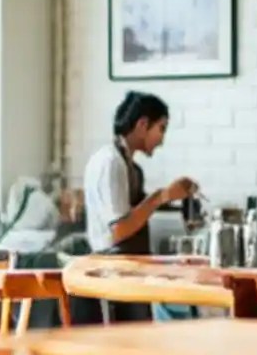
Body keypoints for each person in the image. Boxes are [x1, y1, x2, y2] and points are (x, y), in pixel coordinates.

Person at [83, 91, 199, 321]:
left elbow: (137, 212)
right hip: (114, 270)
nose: (162, 140)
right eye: (161, 129)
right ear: (143, 124)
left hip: (129, 269)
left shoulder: (131, 168)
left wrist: (172, 198)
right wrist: (161, 196)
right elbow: (119, 229)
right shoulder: (111, 162)